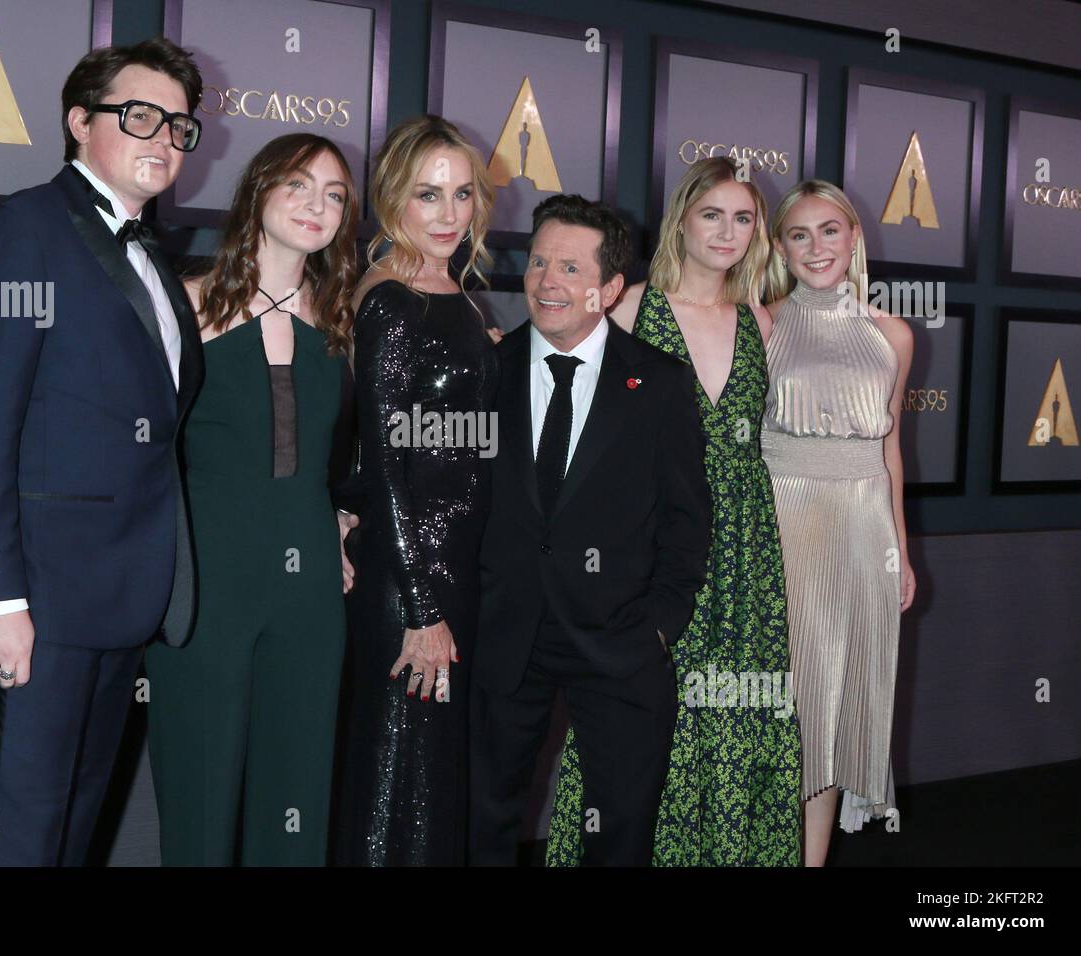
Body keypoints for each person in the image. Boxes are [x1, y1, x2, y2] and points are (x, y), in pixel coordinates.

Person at [0, 38, 206, 865]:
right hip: (35, 603)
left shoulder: (151, 252)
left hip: (124, 599)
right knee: (19, 830)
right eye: (140, 116)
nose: (164, 139)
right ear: (80, 122)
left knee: (74, 832)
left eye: (179, 127)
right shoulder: (22, 230)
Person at [545, 157, 802, 865]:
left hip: (747, 552)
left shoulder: (759, 319)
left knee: (740, 714)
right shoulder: (629, 308)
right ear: (681, 219)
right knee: (640, 720)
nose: (728, 231)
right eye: (712, 214)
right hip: (649, 551)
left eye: (744, 217)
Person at [469, 194, 711, 866]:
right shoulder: (487, 368)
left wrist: (661, 622)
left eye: (571, 269)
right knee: (482, 820)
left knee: (620, 832)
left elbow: (687, 519)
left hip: (620, 640)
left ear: (608, 289)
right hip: (503, 635)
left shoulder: (659, 383)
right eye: (540, 261)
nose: (547, 281)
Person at [143, 134, 361, 865]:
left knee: (298, 792)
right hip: (204, 580)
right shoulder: (186, 302)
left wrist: (336, 516)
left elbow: (343, 456)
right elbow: (139, 447)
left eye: (334, 195)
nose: (317, 205)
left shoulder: (340, 318)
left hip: (310, 593)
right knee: (200, 796)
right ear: (259, 191)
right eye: (300, 185)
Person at [333, 115, 498, 866]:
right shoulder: (393, 301)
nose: (450, 214)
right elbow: (387, 465)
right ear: (393, 198)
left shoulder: (456, 295)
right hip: (412, 581)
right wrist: (422, 609)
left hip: (448, 568)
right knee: (396, 776)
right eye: (428, 195)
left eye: (462, 194)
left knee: (429, 773)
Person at [760, 179, 916, 866]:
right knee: (792, 703)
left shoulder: (893, 334)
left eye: (830, 231)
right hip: (784, 520)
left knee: (833, 709)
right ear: (781, 247)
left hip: (863, 530)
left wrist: (901, 554)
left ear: (854, 237)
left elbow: (891, 451)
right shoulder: (758, 322)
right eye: (799, 234)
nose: (816, 247)